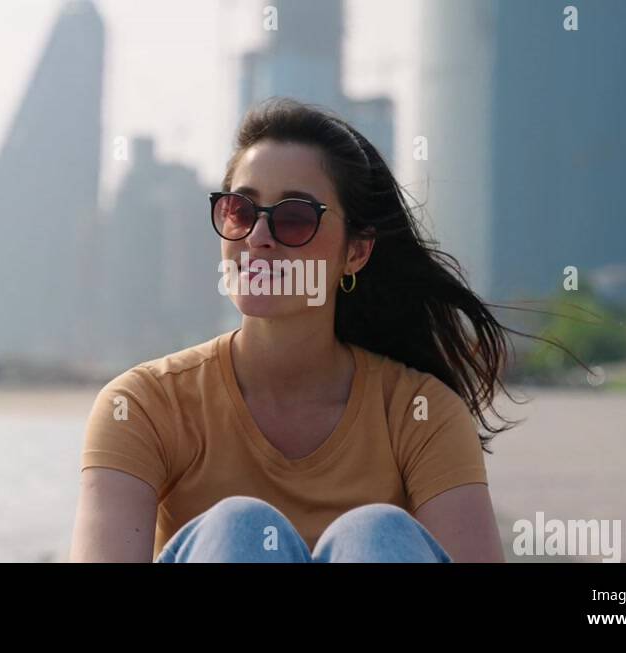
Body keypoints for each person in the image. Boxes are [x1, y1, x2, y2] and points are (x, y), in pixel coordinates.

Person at [70, 97, 513, 563]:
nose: (259, 237)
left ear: (357, 252)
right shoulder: (142, 405)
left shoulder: (421, 412)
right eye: (241, 211)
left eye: (295, 218)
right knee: (238, 527)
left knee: (375, 532)